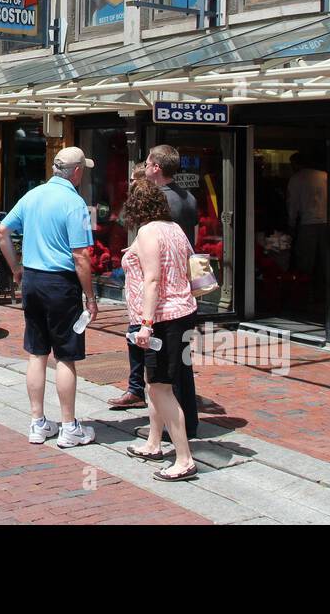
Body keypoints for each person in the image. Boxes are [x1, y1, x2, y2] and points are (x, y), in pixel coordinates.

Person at [0, 147, 96, 447]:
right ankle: (69, 427)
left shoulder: (33, 195)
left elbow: (2, 231)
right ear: (76, 171)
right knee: (66, 355)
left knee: (37, 353)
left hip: (33, 279)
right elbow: (81, 256)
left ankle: (37, 423)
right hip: (61, 283)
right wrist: (90, 297)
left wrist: (16, 267)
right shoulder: (74, 202)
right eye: (84, 170)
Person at [110, 144, 202, 430]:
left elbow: (152, 275)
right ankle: (178, 423)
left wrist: (146, 323)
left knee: (160, 376)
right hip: (181, 294)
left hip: (162, 301)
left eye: (148, 163)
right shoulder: (189, 199)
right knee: (180, 366)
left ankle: (170, 432)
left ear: (156, 168)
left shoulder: (160, 209)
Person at [120, 180, 199, 480]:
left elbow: (153, 279)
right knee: (153, 381)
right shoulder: (174, 228)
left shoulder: (148, 231)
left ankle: (184, 458)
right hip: (182, 312)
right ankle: (154, 443)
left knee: (162, 388)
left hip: (164, 318)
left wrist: (146, 323)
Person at [287, 153, 330, 308]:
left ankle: (306, 296)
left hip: (307, 223)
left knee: (306, 262)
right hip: (327, 221)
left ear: (296, 164)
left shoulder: (296, 179)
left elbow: (293, 204)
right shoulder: (325, 176)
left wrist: (291, 223)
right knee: (325, 260)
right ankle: (326, 294)